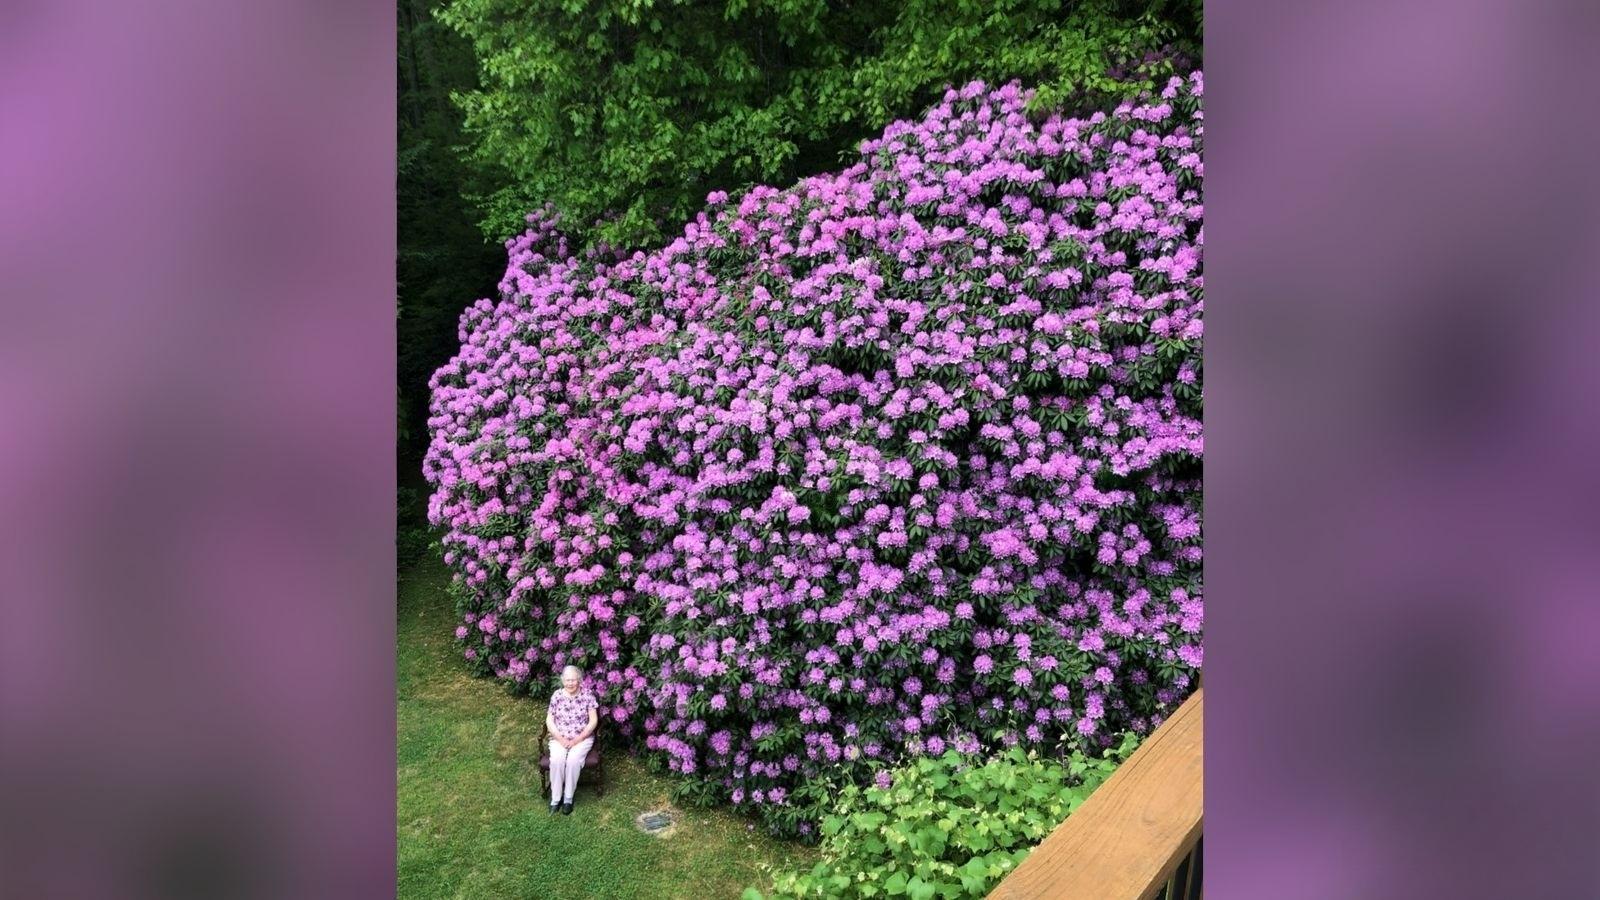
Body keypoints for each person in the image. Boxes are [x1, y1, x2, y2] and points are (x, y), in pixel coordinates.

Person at [546, 665, 598, 815]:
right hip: (559, 738)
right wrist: (561, 739)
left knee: (574, 760)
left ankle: (568, 798)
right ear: (562, 680)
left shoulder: (588, 695)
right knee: (557, 759)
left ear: (579, 680)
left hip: (582, 738)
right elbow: (549, 721)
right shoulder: (556, 696)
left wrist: (578, 739)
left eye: (573, 680)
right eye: (567, 680)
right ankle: (555, 799)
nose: (570, 683)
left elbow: (593, 721)